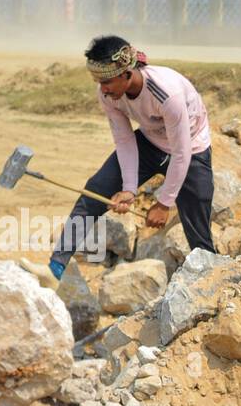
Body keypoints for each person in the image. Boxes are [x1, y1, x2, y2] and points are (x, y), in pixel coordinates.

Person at [48, 35, 216, 280]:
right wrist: (128, 189)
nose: (103, 89)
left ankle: (212, 279)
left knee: (197, 223)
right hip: (150, 142)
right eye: (98, 81)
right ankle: (56, 265)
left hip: (192, 146)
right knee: (95, 191)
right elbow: (125, 140)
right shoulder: (108, 95)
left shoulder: (167, 94)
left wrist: (164, 203)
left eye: (107, 81)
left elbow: (182, 152)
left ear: (126, 73)